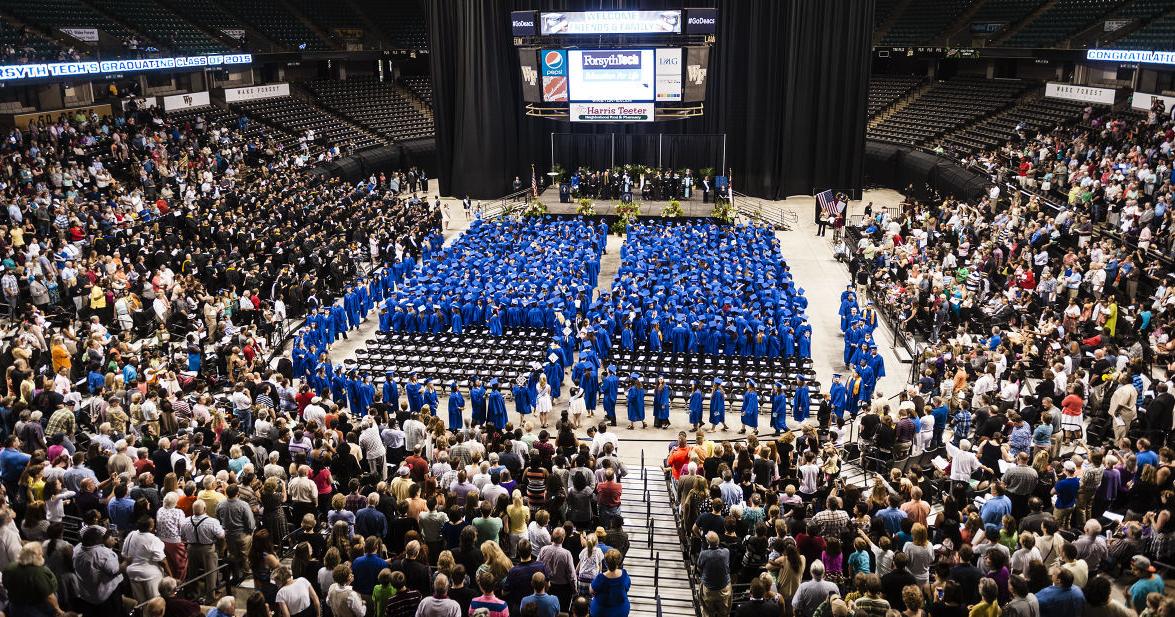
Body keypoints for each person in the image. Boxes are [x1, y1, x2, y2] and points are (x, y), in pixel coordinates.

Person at [698, 531, 731, 617]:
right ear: (718, 541)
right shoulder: (726, 552)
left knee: (707, 612)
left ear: (707, 542)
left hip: (708, 589)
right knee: (724, 613)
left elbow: (699, 567)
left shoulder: (703, 554)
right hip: (723, 589)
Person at [589, 549, 629, 617]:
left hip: (601, 612)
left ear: (605, 562)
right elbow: (627, 588)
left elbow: (591, 591)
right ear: (619, 562)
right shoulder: (624, 574)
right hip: (621, 611)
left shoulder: (600, 577)